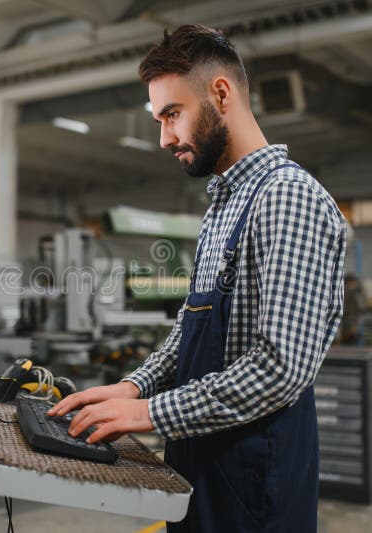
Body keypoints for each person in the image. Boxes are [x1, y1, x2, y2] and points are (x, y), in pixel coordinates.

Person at [49, 24, 347, 532]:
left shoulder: (286, 197)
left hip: (256, 480)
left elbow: (280, 368)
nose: (165, 137)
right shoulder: (223, 207)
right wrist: (133, 387)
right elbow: (193, 328)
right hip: (204, 461)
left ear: (221, 94)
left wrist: (152, 415)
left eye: (172, 114)